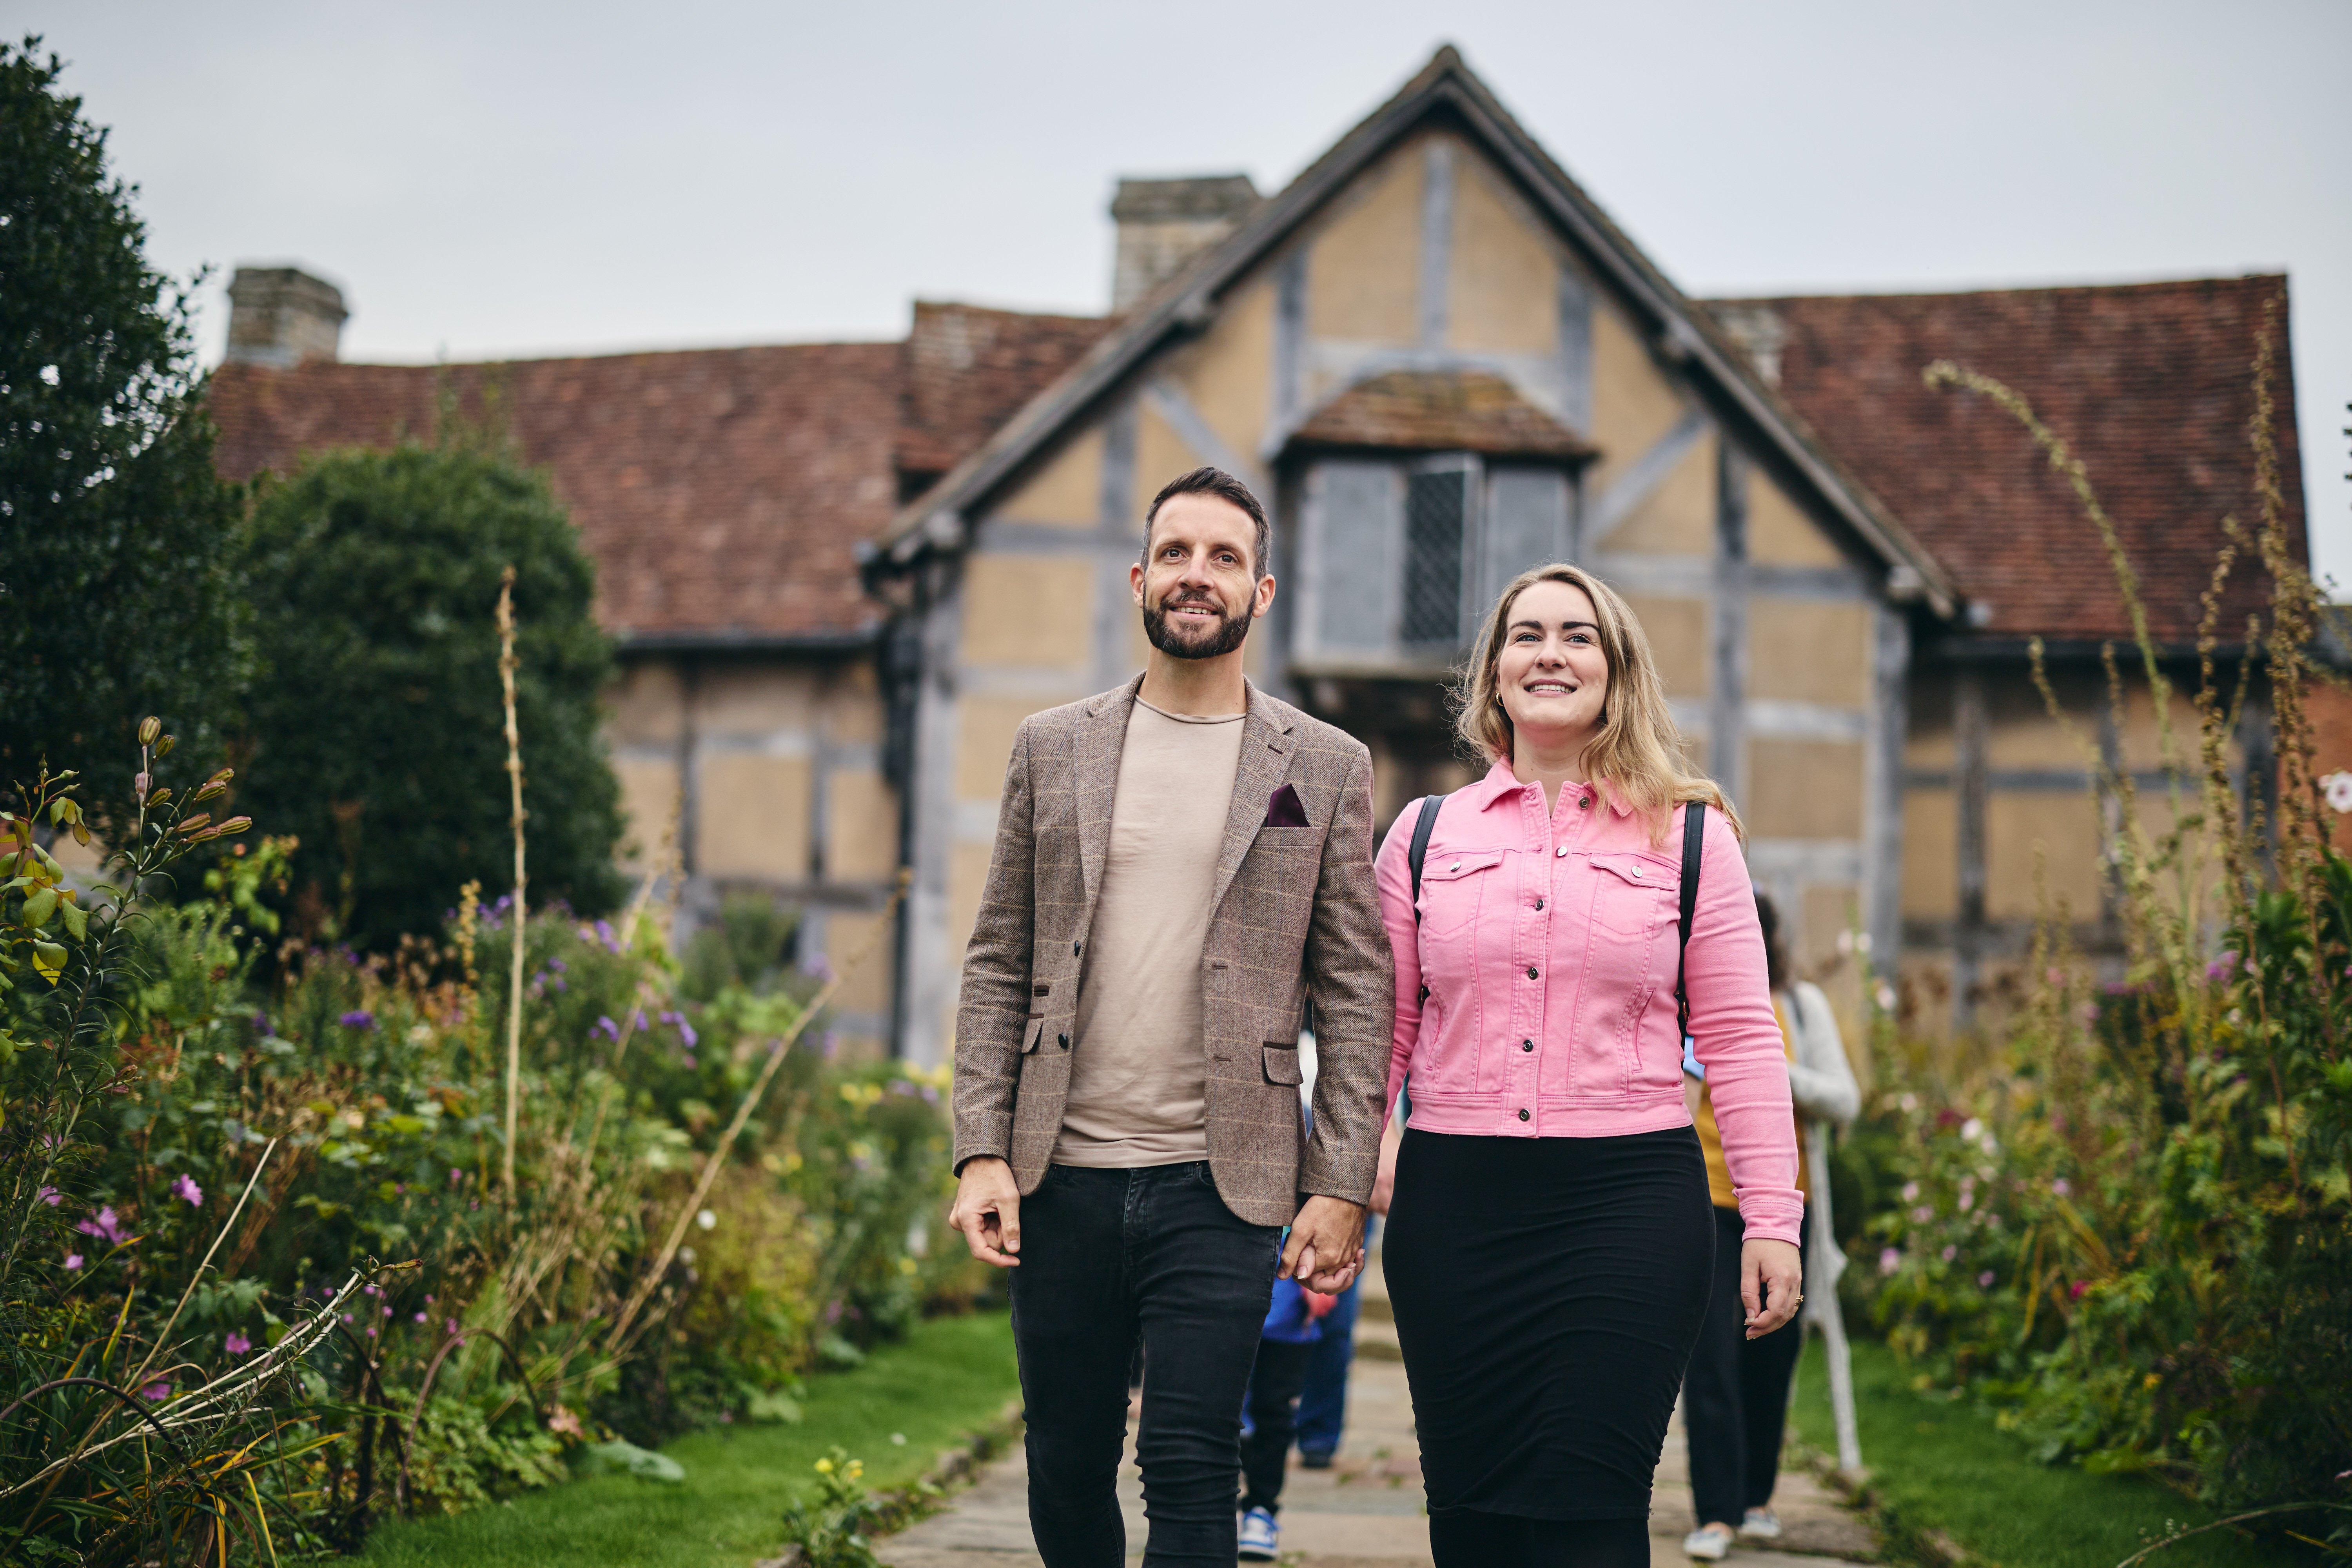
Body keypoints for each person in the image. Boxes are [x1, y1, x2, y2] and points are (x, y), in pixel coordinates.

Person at [947, 465, 1393, 1568]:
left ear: (1264, 591)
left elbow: (1354, 985)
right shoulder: (1054, 746)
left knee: (1194, 1461)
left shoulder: (1324, 766)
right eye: (1180, 554)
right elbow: (998, 958)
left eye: (1226, 557)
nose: (1201, 576)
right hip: (1064, 1174)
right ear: (1141, 579)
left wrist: (1339, 1184)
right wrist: (980, 1152)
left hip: (1223, 1176)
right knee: (1065, 1457)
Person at [1374, 562, 1804, 1568]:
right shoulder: (1423, 835)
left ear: (1616, 673)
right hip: (1456, 1210)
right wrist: (1346, 1179)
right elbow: (1378, 1033)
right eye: (1526, 634)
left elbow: (1743, 1040)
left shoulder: (1695, 839)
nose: (1550, 653)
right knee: (1471, 1516)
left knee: (1590, 1512)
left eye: (1578, 636)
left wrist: (1771, 1219)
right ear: (1493, 674)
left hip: (1626, 1210)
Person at [1679, 891, 1860, 1560]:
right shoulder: (1681, 999)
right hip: (1700, 1202)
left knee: (1771, 1353)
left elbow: (1845, 1099)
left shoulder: (1801, 1008)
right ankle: (1716, 1514)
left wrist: (1755, 1066)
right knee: (1709, 1359)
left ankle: (1756, 1499)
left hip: (1784, 1204)